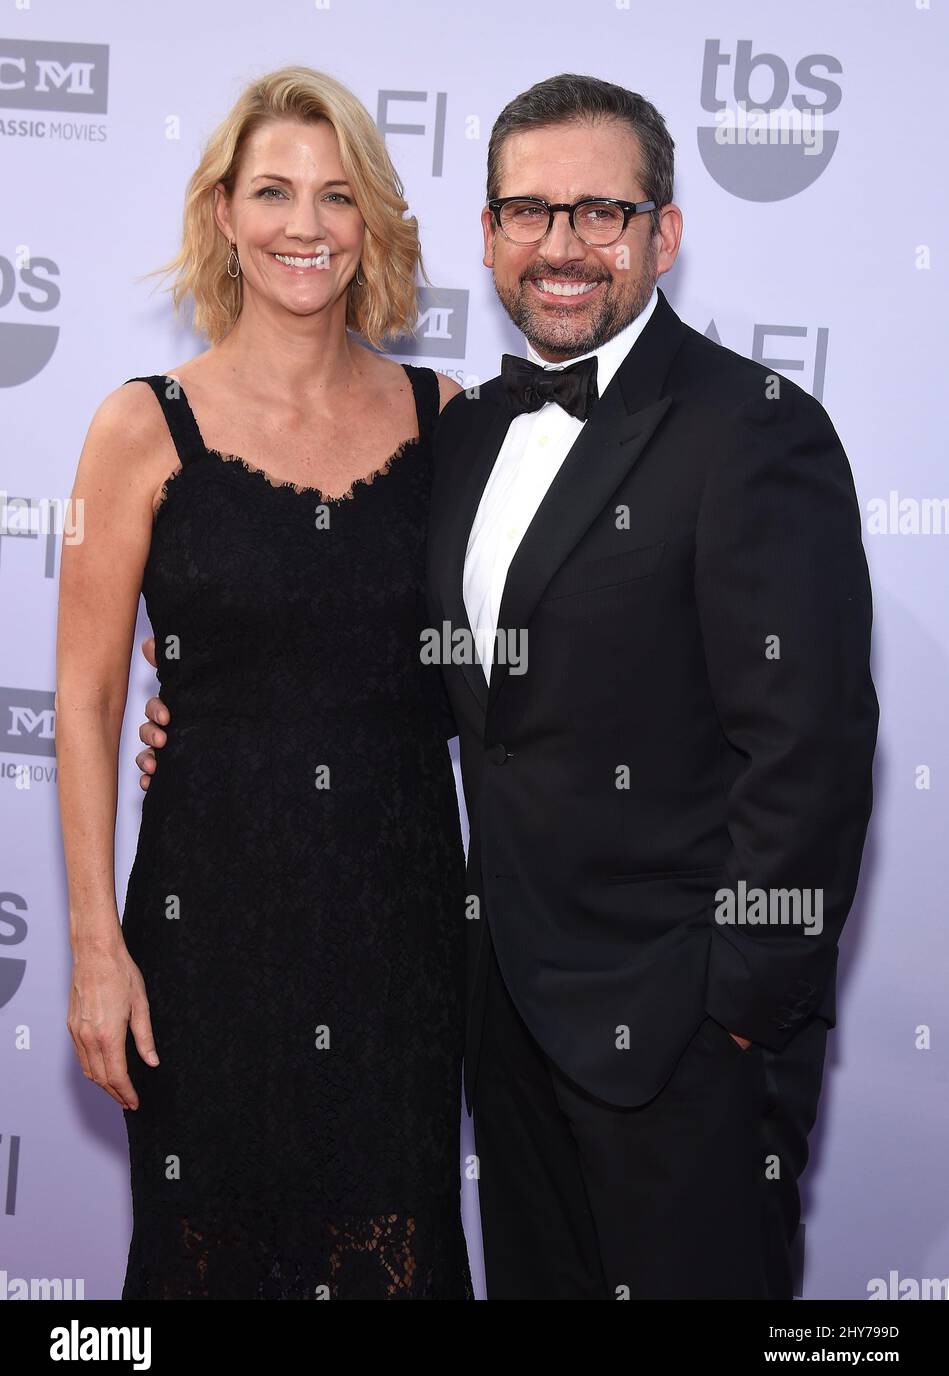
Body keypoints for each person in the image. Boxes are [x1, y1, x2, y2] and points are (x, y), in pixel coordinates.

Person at [137, 73, 879, 1301]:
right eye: (529, 213)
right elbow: (402, 659)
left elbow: (808, 749)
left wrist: (739, 1013)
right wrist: (211, 718)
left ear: (663, 233)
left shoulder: (751, 428)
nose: (562, 246)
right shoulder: (463, 430)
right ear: (486, 237)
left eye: (600, 212)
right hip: (495, 1022)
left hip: (682, 1040)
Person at [56, 66, 471, 1300]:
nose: (306, 225)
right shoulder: (139, 425)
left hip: (397, 928)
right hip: (206, 928)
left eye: (337, 196)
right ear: (224, 214)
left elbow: (487, 666)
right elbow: (81, 700)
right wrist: (94, 945)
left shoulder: (444, 415)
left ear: (371, 223)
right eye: (274, 192)